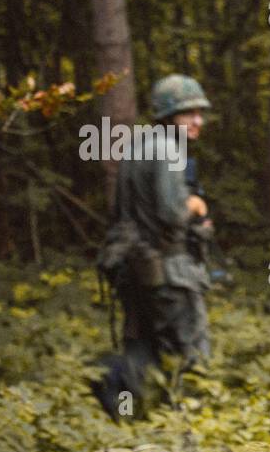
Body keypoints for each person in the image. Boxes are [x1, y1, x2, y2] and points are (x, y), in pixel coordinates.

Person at [91, 74, 214, 419]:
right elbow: (172, 212)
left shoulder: (138, 145)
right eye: (188, 113)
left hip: (135, 268)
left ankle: (120, 402)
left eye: (199, 112)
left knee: (142, 346)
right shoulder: (169, 150)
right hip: (170, 271)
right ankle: (193, 428)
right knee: (193, 350)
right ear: (167, 115)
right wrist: (195, 206)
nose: (197, 121)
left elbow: (121, 212)